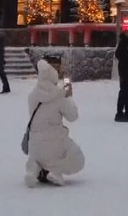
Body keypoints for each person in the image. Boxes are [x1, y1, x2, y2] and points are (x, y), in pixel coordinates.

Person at [25, 58, 84, 187]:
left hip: (34, 147)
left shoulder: (32, 96)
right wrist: (68, 97)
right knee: (78, 159)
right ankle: (55, 171)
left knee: (41, 152)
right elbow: (73, 116)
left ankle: (34, 167)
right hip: (55, 145)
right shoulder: (59, 96)